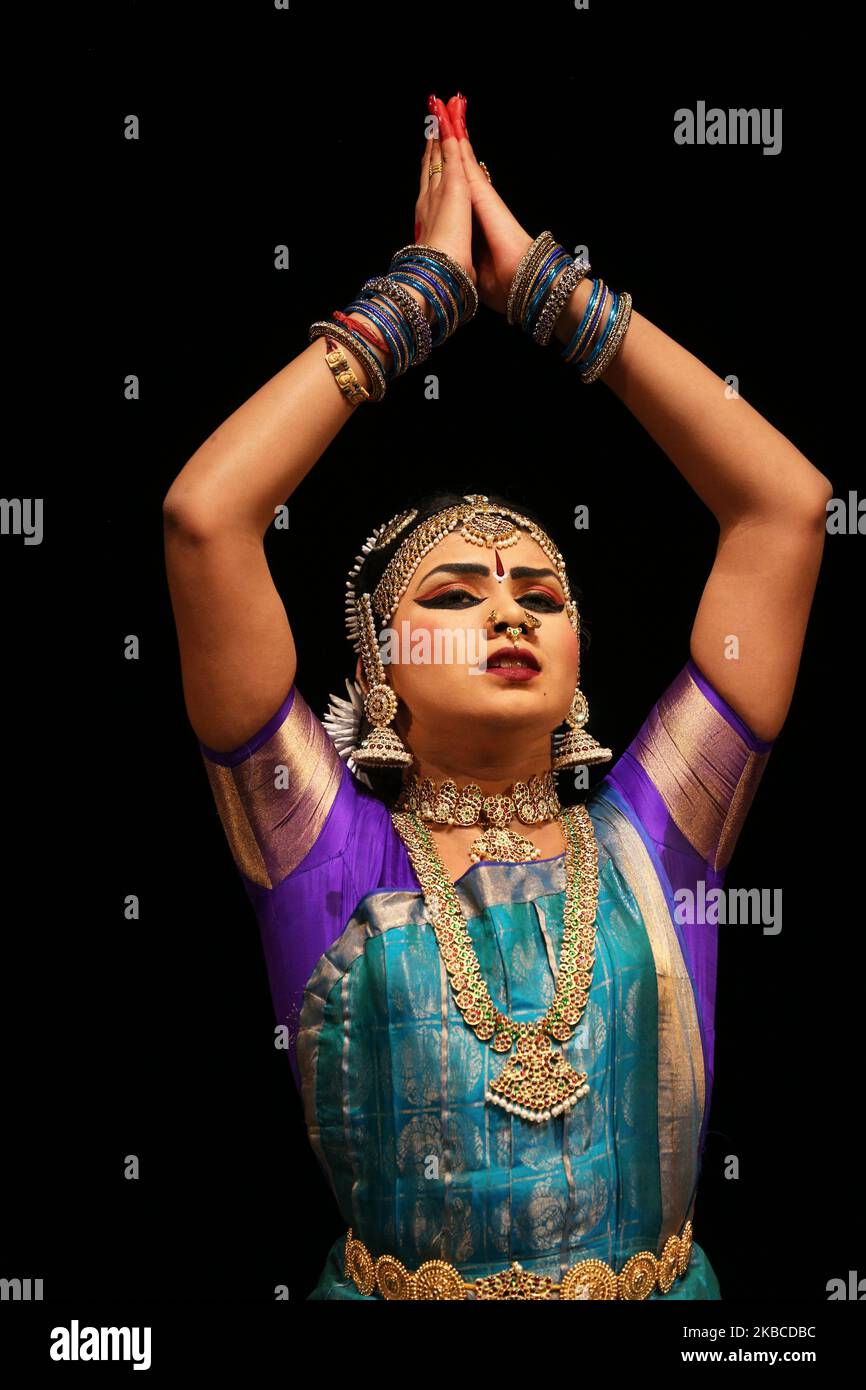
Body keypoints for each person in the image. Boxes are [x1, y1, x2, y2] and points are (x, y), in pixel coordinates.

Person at [162, 94, 831, 1300]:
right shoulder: (325, 850)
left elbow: (783, 506)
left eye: (540, 589)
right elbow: (206, 522)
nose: (512, 610)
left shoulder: (655, 832)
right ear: (375, 670)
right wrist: (415, 298)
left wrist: (546, 293)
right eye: (459, 594)